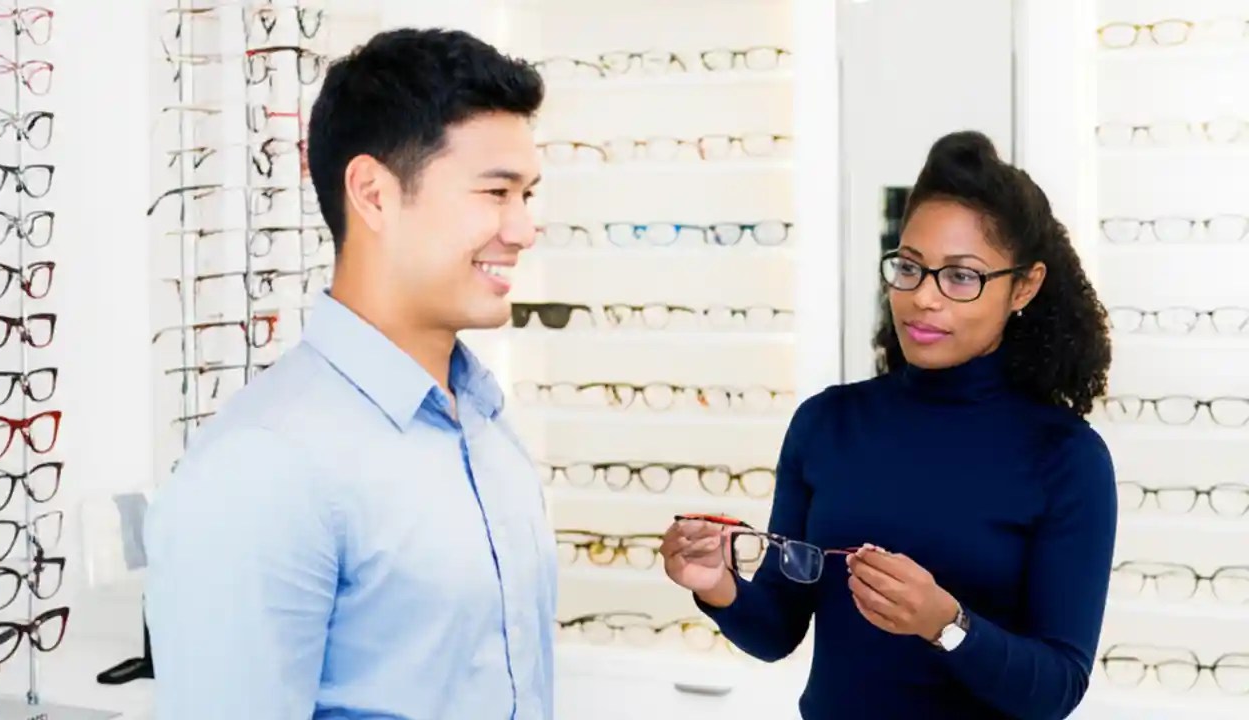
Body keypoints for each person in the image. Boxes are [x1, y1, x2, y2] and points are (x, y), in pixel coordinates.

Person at [144, 28, 554, 720]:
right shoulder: (263, 465)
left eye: (528, 195)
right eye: (495, 192)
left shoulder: (485, 422)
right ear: (372, 194)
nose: (523, 230)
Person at [661, 131, 1117, 719]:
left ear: (1023, 287)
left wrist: (945, 625)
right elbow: (777, 631)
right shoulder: (827, 424)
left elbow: (1057, 687)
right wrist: (717, 586)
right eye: (910, 267)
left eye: (961, 276)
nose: (923, 298)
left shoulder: (1066, 458)